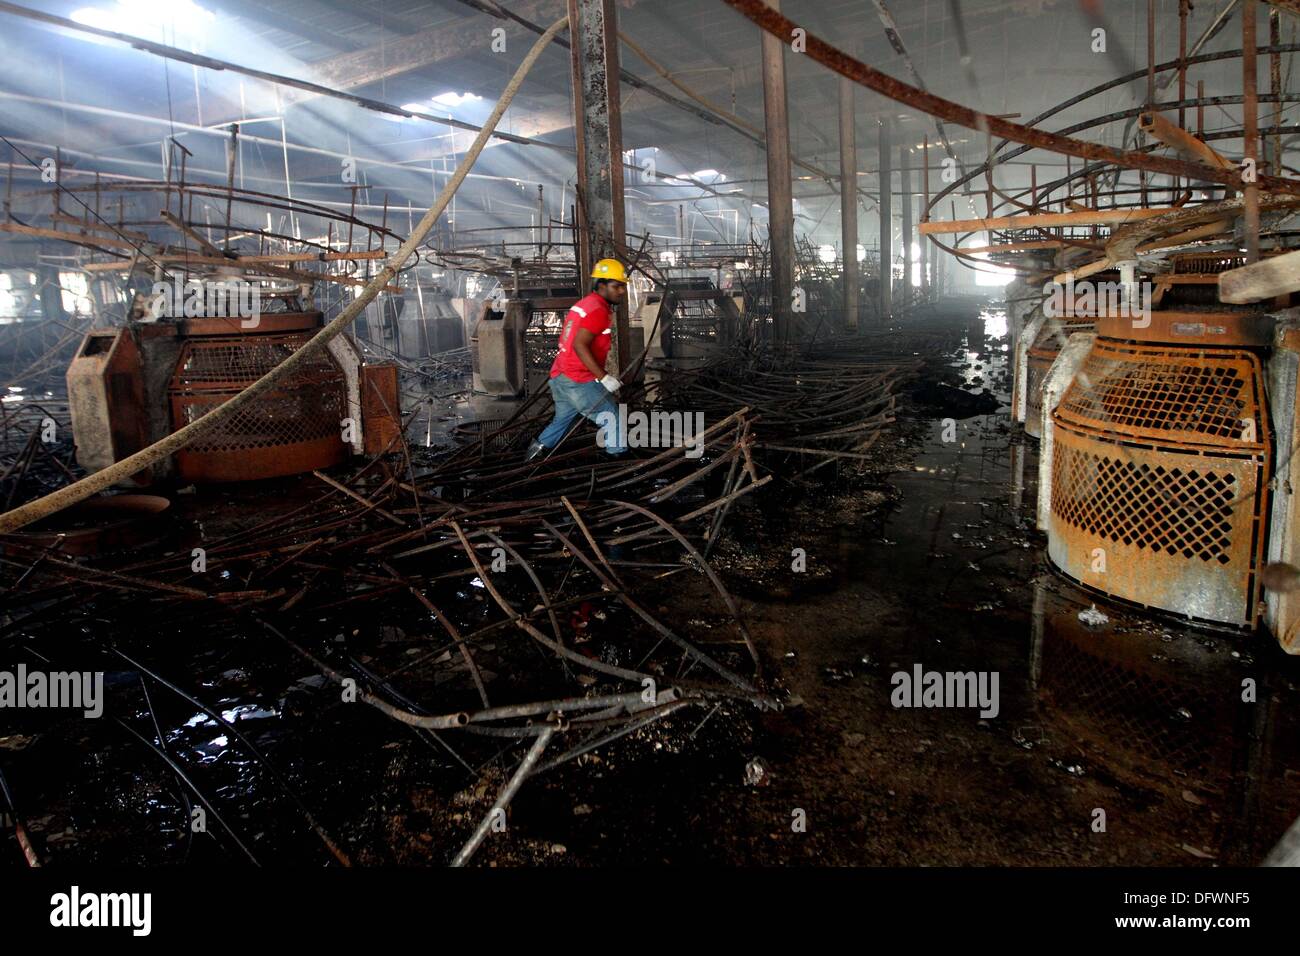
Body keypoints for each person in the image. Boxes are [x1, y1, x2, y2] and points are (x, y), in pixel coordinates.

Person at [525, 258, 629, 461]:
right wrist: (604, 377)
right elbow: (579, 345)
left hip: (561, 376)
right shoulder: (598, 310)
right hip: (577, 380)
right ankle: (619, 465)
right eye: (617, 286)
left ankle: (533, 457)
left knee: (561, 420)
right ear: (601, 285)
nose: (621, 291)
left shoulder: (586, 304)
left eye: (623, 286)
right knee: (612, 418)